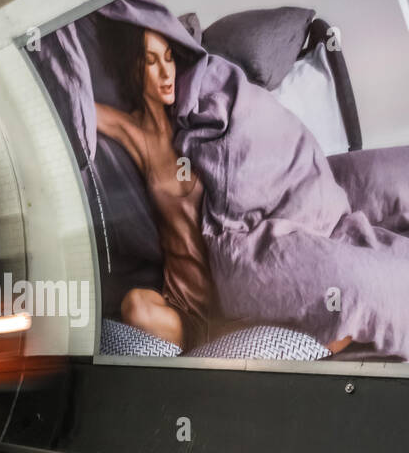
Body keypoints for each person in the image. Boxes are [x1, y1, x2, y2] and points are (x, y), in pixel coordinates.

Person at [94, 24, 351, 354]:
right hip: (183, 310)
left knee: (342, 319)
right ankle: (210, 353)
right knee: (135, 305)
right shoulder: (134, 133)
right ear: (135, 68)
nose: (165, 72)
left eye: (169, 58)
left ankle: (235, 342)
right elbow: (78, 107)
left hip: (238, 295)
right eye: (151, 61)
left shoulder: (199, 124)